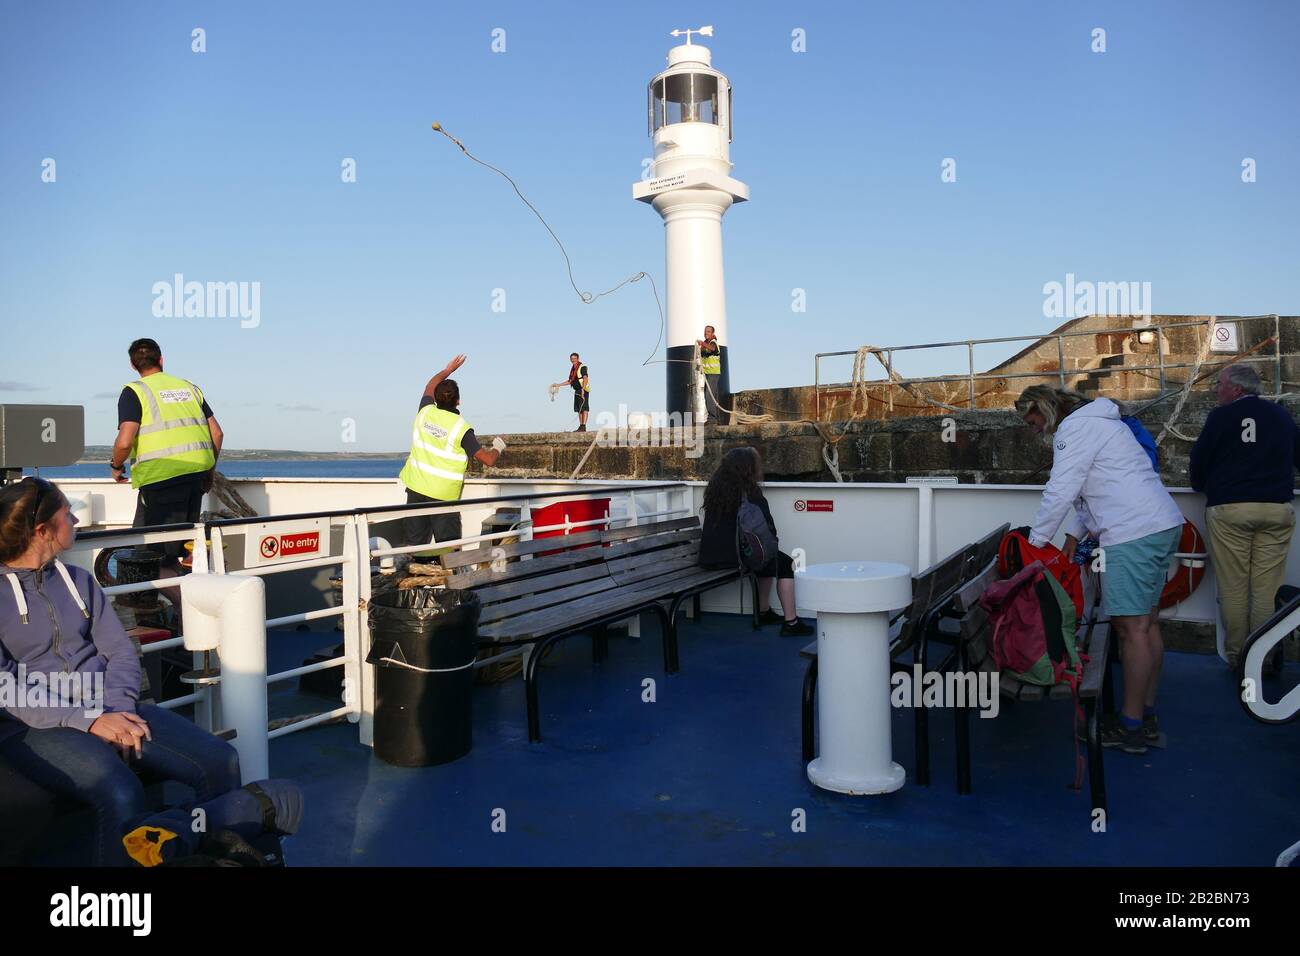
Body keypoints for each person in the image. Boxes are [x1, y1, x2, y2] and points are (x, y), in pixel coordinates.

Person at [0, 478, 242, 866]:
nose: (75, 518)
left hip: (110, 705)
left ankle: (211, 856)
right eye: (67, 513)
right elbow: (5, 687)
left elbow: (119, 650)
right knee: (120, 790)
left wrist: (117, 709)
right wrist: (91, 721)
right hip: (34, 726)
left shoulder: (78, 581)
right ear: (42, 530)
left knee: (220, 761)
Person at [1016, 385, 1184, 755]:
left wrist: (1037, 541)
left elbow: (1061, 489)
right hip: (1160, 525)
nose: (1035, 430)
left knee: (1131, 629)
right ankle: (1146, 716)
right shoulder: (1102, 422)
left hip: (1132, 533)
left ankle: (1130, 729)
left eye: (1033, 422)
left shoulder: (1073, 430)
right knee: (1148, 624)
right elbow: (1095, 487)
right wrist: (1073, 535)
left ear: (1046, 410)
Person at [1189, 363, 1300, 669]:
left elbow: (1199, 460)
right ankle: (1263, 659)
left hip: (1231, 508)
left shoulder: (1220, 417)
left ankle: (1240, 659)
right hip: (1276, 508)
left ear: (1236, 389)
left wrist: (1201, 486)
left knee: (1234, 586)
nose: (1216, 390)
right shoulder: (1281, 415)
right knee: (1267, 589)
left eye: (1220, 385)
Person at [110, 338, 221, 568]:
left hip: (160, 482)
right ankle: (190, 596)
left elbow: (124, 442)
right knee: (186, 546)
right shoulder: (190, 388)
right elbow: (217, 434)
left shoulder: (135, 391)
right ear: (161, 360)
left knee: (150, 552)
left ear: (133, 365)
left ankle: (169, 602)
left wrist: (116, 466)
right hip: (196, 479)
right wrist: (209, 471)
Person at [698, 447, 813, 637]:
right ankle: (791, 623)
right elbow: (768, 531)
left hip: (711, 556)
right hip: (736, 558)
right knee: (785, 564)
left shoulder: (715, 490)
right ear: (748, 469)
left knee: (768, 561)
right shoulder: (752, 495)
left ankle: (763, 611)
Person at [397, 355, 503, 554]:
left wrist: (448, 370)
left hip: (416, 490)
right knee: (450, 549)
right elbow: (487, 460)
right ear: (458, 401)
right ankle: (450, 581)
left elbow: (429, 385)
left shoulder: (424, 412)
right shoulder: (460, 428)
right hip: (443, 497)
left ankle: (413, 580)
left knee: (414, 547)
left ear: (435, 399)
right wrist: (498, 447)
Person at [696, 326, 728, 426]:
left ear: (713, 333)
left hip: (713, 373)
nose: (706, 333)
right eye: (705, 331)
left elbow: (713, 349)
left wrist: (702, 343)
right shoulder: (706, 345)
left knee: (709, 396)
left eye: (709, 331)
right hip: (707, 374)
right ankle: (710, 418)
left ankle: (713, 419)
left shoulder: (713, 342)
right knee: (706, 395)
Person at [552, 352, 590, 433]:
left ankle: (584, 426)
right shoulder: (573, 369)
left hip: (583, 389)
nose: (573, 360)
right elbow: (570, 381)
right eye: (572, 359)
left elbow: (585, 378)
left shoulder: (582, 367)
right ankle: (581, 426)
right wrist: (559, 385)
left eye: (575, 358)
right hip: (576, 390)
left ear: (578, 359)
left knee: (584, 408)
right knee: (579, 409)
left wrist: (583, 389)